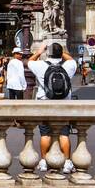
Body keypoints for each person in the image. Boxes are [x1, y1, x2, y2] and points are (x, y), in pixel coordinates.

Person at [26, 42, 77, 174]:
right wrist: (62, 52)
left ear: (48, 53)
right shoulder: (69, 65)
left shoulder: (40, 65)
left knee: (45, 133)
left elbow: (30, 61)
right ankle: (67, 162)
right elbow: (71, 59)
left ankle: (43, 161)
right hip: (63, 104)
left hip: (45, 103)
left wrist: (39, 51)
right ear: (61, 54)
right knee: (64, 134)